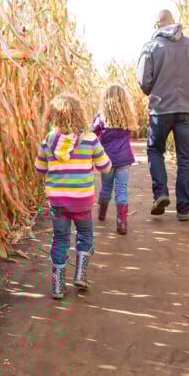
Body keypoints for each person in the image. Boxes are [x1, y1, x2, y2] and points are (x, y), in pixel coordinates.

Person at [34, 94, 112, 299]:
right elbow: (105, 167)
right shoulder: (90, 139)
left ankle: (58, 287)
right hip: (82, 202)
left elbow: (39, 169)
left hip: (58, 202)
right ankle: (80, 274)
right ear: (79, 114)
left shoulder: (47, 141)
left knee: (60, 239)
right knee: (85, 235)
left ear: (53, 117)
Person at [136, 10, 189, 221]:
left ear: (157, 26)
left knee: (154, 149)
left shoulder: (151, 47)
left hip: (161, 108)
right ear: (174, 23)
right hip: (186, 109)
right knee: (185, 157)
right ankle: (184, 208)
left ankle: (160, 193)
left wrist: (151, 90)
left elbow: (144, 81)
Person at [92, 85, 137, 234]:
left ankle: (102, 214)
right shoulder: (127, 117)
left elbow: (93, 134)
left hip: (107, 161)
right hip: (124, 159)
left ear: (105, 100)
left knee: (106, 188)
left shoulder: (100, 118)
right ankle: (122, 223)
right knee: (121, 190)